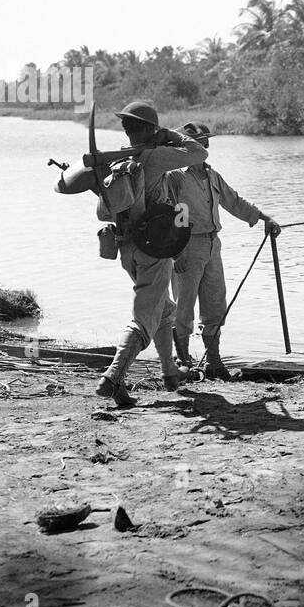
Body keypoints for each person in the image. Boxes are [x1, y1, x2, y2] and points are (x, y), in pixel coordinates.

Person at [95, 101, 208, 408]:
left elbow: (104, 210)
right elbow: (199, 153)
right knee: (145, 316)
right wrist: (171, 134)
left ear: (127, 130)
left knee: (165, 310)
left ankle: (170, 372)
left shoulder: (119, 162)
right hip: (153, 251)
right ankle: (113, 376)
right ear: (149, 129)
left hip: (127, 250)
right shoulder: (154, 158)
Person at [164, 122, 280, 380]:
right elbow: (170, 215)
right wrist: (176, 253)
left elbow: (233, 201)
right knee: (183, 306)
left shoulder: (211, 174)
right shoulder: (175, 176)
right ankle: (182, 361)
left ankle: (213, 362)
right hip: (186, 245)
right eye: (200, 142)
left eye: (206, 141)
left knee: (215, 303)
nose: (206, 146)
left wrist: (264, 217)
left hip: (212, 244)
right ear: (185, 147)